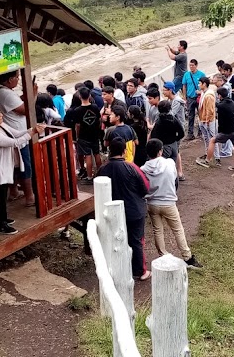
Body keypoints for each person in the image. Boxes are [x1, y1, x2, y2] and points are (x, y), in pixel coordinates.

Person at [141, 139, 202, 269]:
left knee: (158, 230)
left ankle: (163, 255)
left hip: (152, 203)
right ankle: (187, 257)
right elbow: (174, 178)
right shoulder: (169, 163)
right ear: (160, 151)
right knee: (177, 229)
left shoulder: (143, 168)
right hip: (168, 202)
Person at [96, 138, 151, 280]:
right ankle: (140, 271)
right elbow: (145, 187)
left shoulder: (103, 169)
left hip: (112, 212)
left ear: (109, 151)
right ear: (124, 151)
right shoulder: (131, 167)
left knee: (115, 241)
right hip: (134, 210)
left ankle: (117, 269)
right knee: (136, 240)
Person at [0, 106, 41, 235]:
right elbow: (14, 142)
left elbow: (15, 133)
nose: (1, 116)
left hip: (2, 166)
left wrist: (31, 130)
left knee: (1, 193)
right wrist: (32, 133)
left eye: (0, 113)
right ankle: (1, 224)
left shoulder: (2, 126)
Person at [0, 70, 35, 206]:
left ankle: (14, 192)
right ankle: (30, 196)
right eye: (17, 78)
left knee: (15, 165)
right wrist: (33, 94)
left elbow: (18, 103)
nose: (18, 80)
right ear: (10, 79)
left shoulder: (2, 91)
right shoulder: (5, 94)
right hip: (18, 136)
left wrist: (27, 94)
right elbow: (26, 109)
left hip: (11, 134)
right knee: (24, 165)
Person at [200, 87, 234, 171]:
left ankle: (207, 161)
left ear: (219, 95)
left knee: (212, 140)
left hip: (227, 131)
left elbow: (219, 116)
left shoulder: (221, 106)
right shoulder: (232, 102)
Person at [69, 86, 104, 184]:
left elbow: (78, 125)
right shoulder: (95, 107)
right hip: (94, 134)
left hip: (84, 136)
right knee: (97, 154)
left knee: (88, 156)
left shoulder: (77, 110)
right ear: (89, 96)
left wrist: (77, 136)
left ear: (80, 96)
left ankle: (89, 177)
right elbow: (99, 120)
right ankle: (101, 174)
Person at [151, 99, 187, 180]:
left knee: (162, 167)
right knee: (172, 167)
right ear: (170, 108)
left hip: (163, 147)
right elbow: (182, 133)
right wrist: (175, 139)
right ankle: (174, 182)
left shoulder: (159, 122)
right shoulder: (174, 119)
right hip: (173, 145)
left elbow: (153, 135)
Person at [183, 60, 207, 140]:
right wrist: (184, 97)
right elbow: (184, 86)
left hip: (198, 97)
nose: (191, 67)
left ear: (196, 65)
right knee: (190, 116)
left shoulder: (201, 74)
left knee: (201, 115)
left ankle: (201, 132)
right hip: (190, 98)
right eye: (190, 65)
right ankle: (190, 133)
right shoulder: (186, 74)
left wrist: (200, 92)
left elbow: (206, 86)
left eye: (192, 65)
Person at [195, 77, 216, 156]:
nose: (198, 85)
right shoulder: (203, 92)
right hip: (202, 119)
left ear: (204, 84)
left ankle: (215, 157)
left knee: (212, 138)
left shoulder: (208, 95)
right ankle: (208, 153)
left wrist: (207, 121)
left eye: (200, 83)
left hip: (207, 121)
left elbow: (210, 111)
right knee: (206, 138)